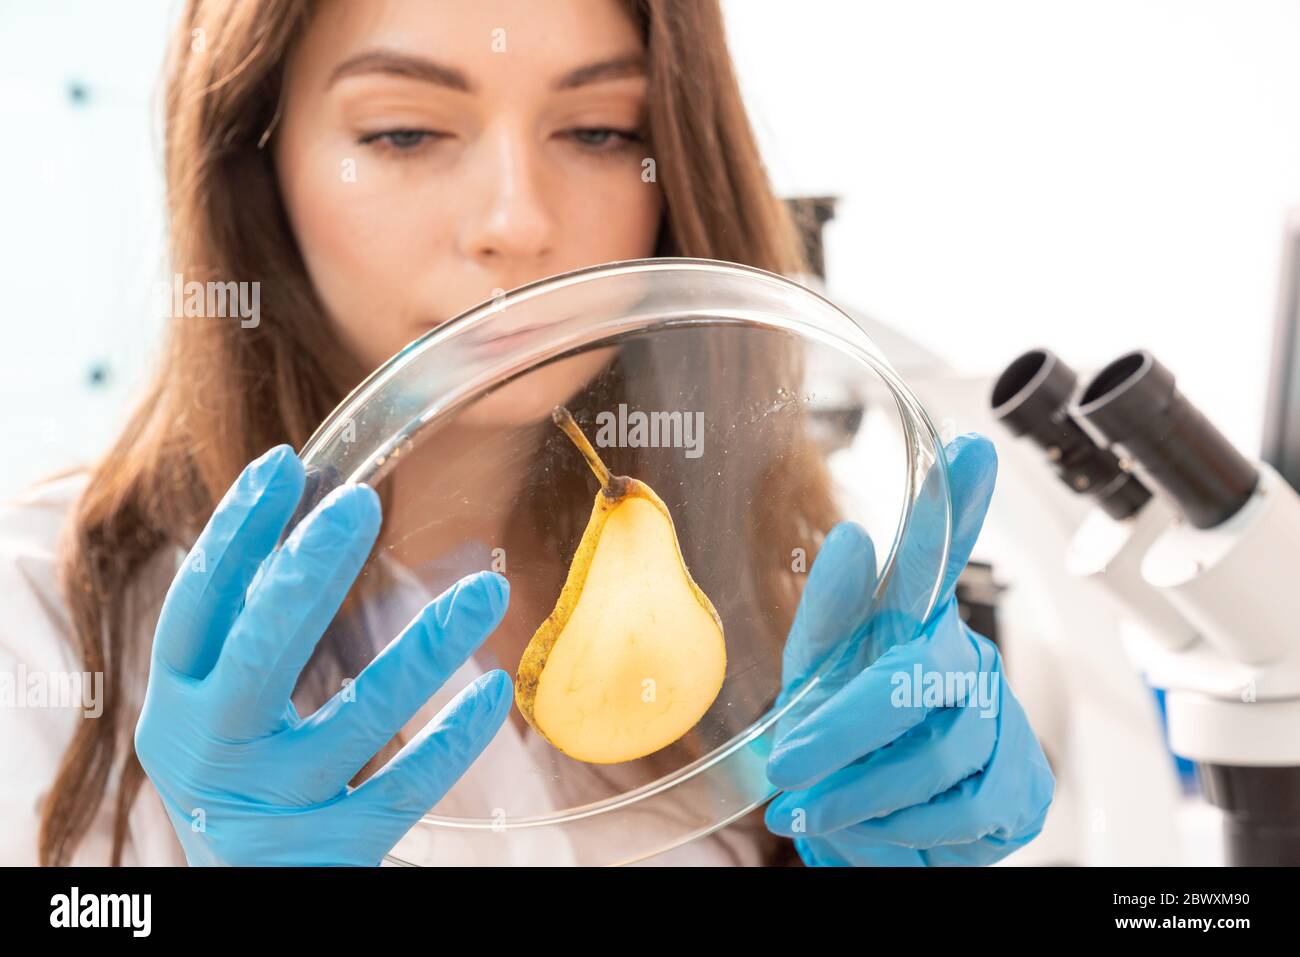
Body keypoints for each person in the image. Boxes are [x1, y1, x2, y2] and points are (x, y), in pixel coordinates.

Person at [0, 0, 1053, 867]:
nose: (517, 220)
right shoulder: (39, 621)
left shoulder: (807, 593)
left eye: (600, 133)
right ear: (255, 169)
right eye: (402, 133)